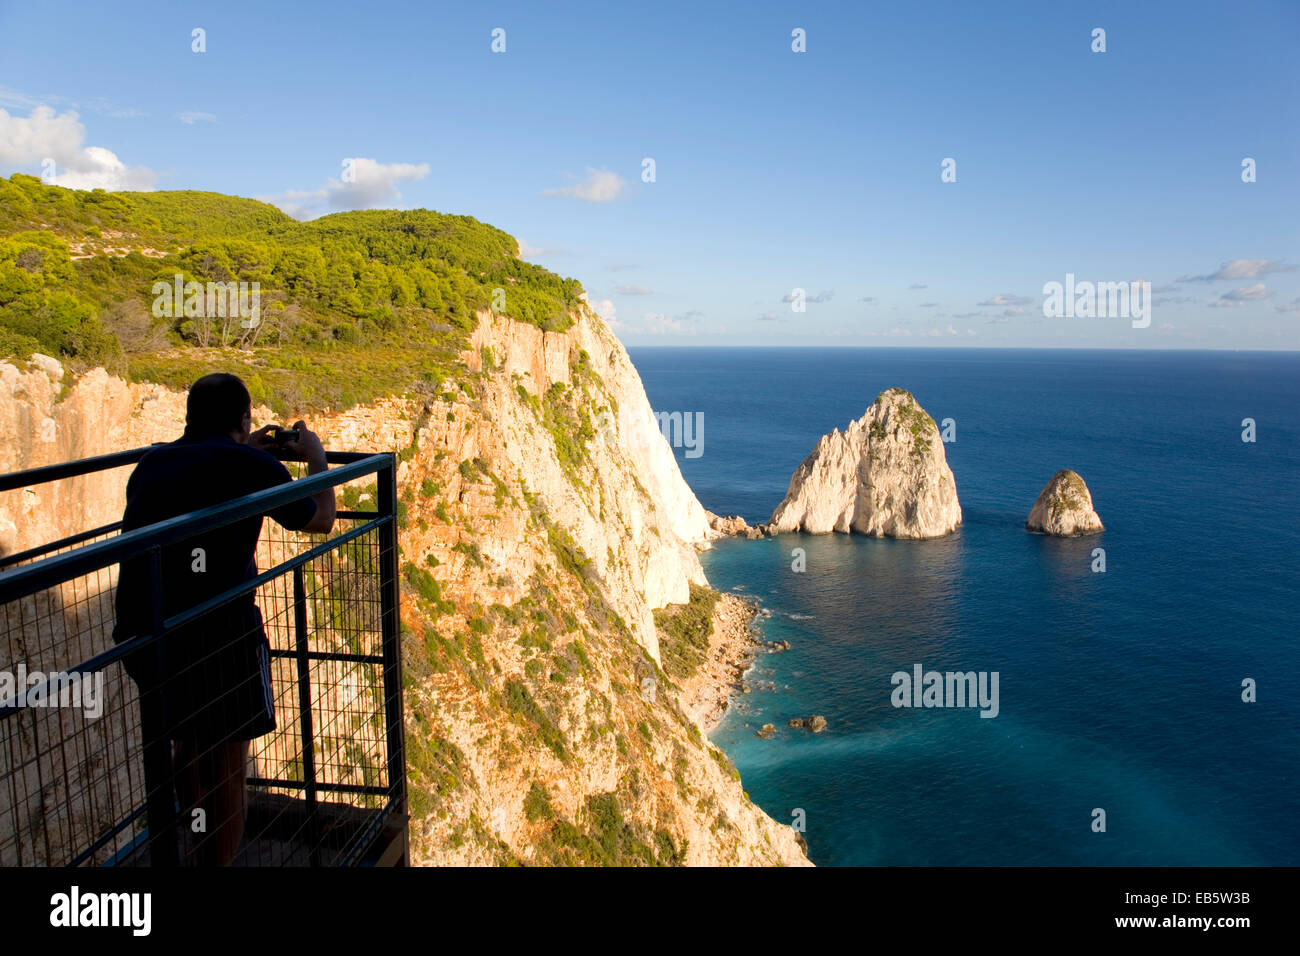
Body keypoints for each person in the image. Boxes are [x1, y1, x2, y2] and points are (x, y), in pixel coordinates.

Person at [113, 373, 336, 865]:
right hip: (219, 636)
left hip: (144, 635)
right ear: (243, 420)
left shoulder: (152, 462)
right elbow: (321, 518)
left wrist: (248, 452)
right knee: (229, 767)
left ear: (191, 417)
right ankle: (214, 859)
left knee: (190, 740)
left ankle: (190, 842)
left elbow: (206, 471)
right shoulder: (249, 464)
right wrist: (316, 454)